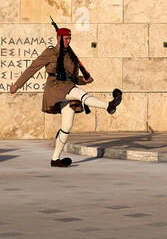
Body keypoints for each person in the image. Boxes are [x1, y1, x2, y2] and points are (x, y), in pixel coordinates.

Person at [9, 27, 122, 168]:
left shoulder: (70, 55)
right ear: (58, 38)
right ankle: (108, 106)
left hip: (67, 86)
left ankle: (55, 159)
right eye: (66, 39)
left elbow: (72, 77)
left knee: (67, 126)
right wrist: (17, 85)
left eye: (70, 38)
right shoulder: (50, 52)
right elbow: (32, 68)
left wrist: (83, 80)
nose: (68, 41)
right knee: (81, 94)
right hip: (55, 86)